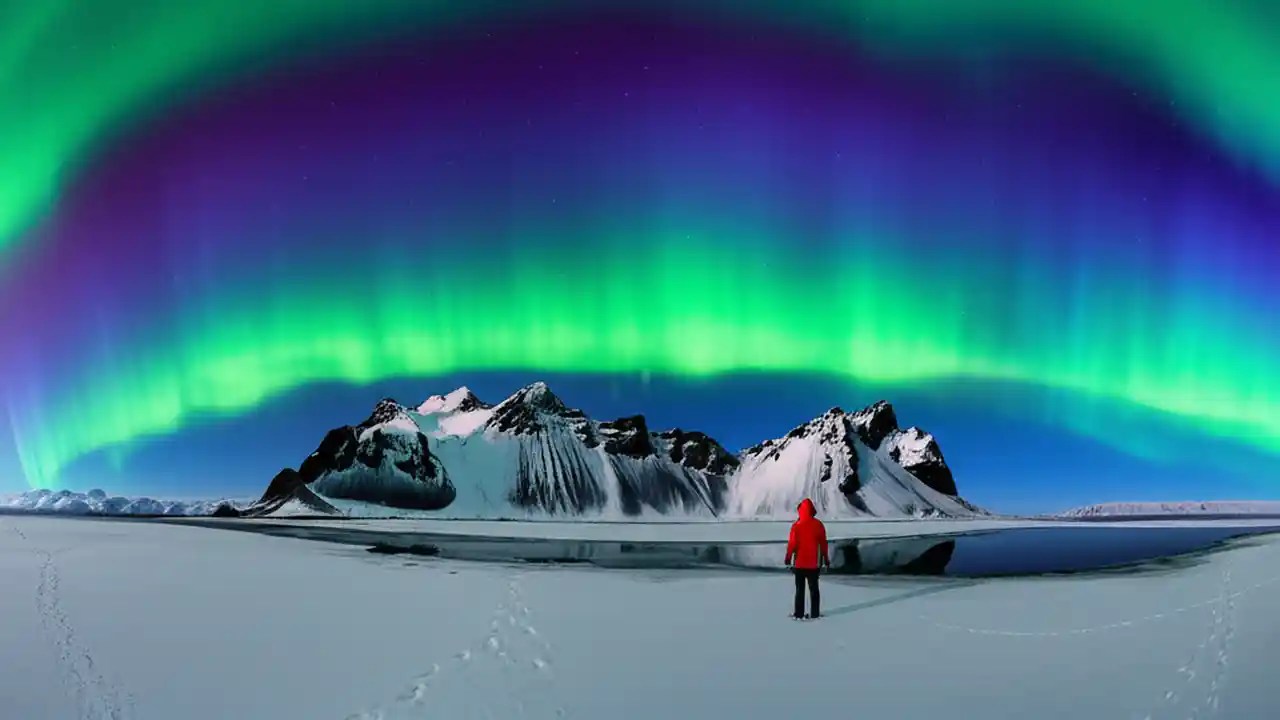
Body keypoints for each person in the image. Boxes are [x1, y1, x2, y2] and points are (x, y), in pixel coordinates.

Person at [785, 497, 829, 619]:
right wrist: (826, 559)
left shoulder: (796, 526)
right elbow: (823, 544)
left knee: (799, 590)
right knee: (814, 590)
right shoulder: (818, 525)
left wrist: (788, 558)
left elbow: (792, 544)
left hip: (799, 564)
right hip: (814, 564)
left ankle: (798, 614)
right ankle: (815, 613)